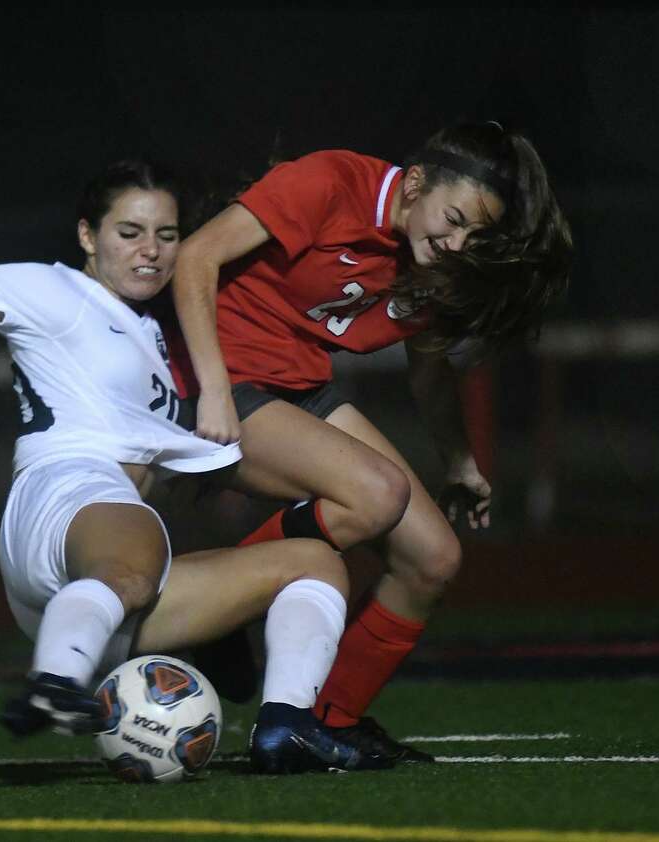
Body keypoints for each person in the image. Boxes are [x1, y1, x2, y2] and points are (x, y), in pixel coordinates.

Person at [0, 80, 391, 774]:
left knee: (316, 565)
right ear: (88, 236)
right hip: (66, 506)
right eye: (129, 232)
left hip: (100, 597)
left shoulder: (158, 337)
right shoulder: (51, 291)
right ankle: (55, 683)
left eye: (167, 234)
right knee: (137, 548)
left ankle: (285, 723)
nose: (150, 250)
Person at [171, 122, 573, 760]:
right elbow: (195, 256)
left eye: (475, 234)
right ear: (414, 184)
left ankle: (327, 718)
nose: (459, 242)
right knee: (376, 494)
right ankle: (218, 612)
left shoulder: (430, 255)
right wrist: (214, 389)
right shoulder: (329, 181)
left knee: (434, 555)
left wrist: (460, 462)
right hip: (215, 382)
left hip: (297, 389)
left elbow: (429, 366)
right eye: (455, 218)